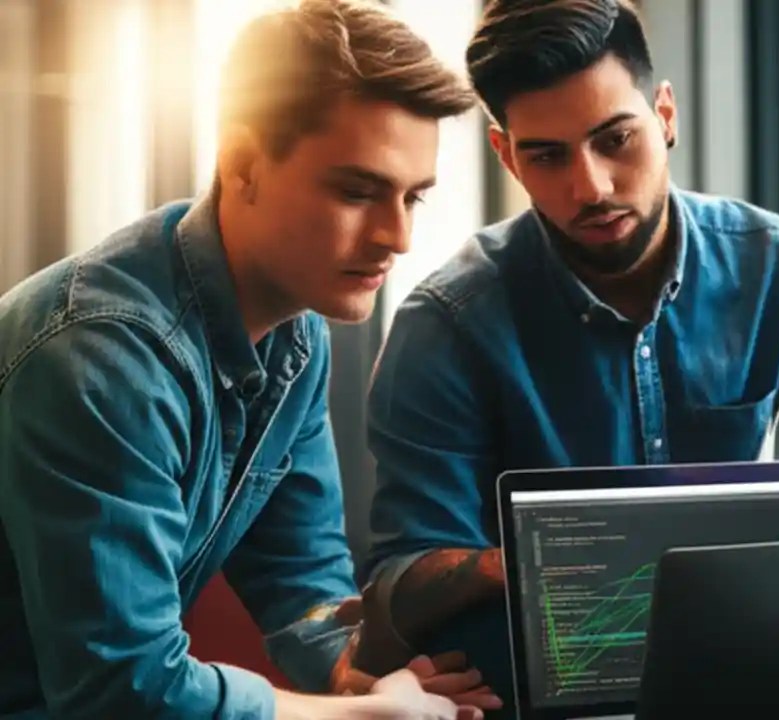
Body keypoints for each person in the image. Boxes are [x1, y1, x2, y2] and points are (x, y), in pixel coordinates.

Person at [352, 0, 779, 709]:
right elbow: (407, 569)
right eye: (548, 155)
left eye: (616, 139)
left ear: (664, 116)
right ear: (507, 154)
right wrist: (537, 558)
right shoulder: (447, 322)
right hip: (561, 651)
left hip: (753, 629)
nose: (592, 187)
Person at [0, 1, 501, 717]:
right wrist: (360, 716)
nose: (397, 236)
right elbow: (124, 690)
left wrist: (361, 684)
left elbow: (303, 584)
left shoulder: (297, 334)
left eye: (414, 197)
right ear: (242, 165)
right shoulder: (100, 356)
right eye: (357, 192)